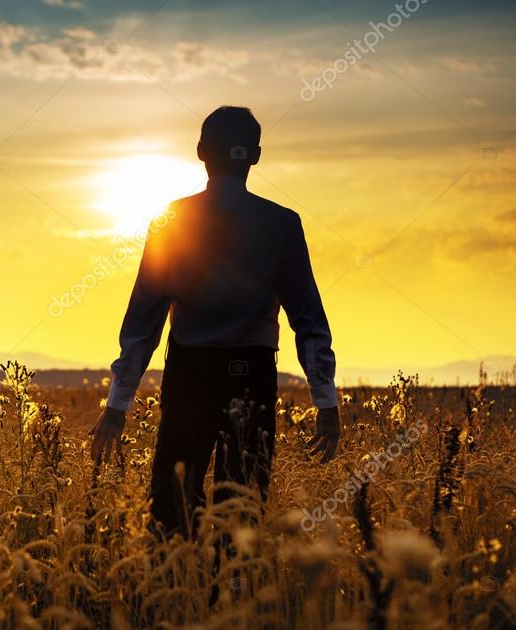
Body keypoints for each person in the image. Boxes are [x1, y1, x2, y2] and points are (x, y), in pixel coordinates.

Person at [90, 106, 341, 539]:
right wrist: (325, 400)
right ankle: (232, 600)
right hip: (253, 378)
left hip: (190, 374)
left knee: (171, 513)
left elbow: (143, 321)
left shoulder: (171, 221)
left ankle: (172, 600)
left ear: (202, 152)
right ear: (255, 156)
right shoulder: (282, 224)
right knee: (242, 516)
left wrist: (117, 405)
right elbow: (309, 321)